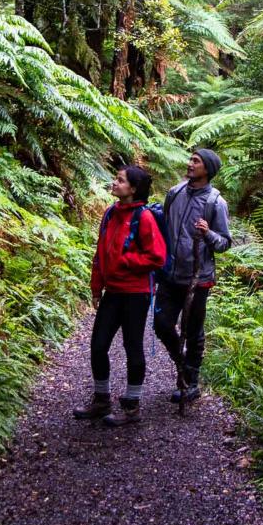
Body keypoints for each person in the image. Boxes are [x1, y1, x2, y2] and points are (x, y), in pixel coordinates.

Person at [73, 165, 167, 427]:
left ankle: (132, 406)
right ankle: (102, 399)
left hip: (136, 293)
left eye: (120, 180)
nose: (114, 183)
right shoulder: (111, 213)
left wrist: (126, 261)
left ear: (133, 189)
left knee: (132, 346)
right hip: (113, 291)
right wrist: (96, 286)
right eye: (116, 178)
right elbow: (100, 252)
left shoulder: (143, 217)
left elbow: (157, 256)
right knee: (98, 345)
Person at [153, 148, 232, 403]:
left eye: (195, 162)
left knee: (194, 329)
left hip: (198, 279)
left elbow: (224, 243)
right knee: (162, 324)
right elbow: (166, 228)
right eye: (191, 160)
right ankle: (183, 365)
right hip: (169, 274)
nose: (190, 164)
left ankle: (192, 382)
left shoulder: (215, 203)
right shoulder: (174, 193)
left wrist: (208, 234)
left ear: (207, 169)